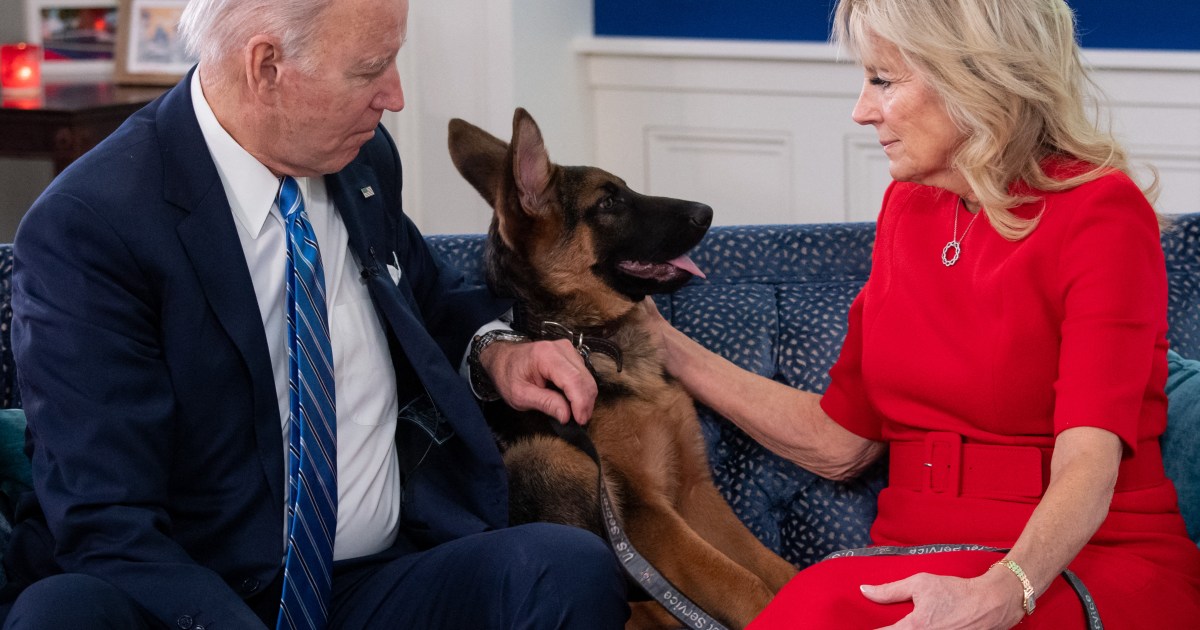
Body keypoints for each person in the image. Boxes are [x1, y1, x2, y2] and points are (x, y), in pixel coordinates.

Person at [0, 0, 630, 628]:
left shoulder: (360, 157)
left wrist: (498, 350)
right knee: (64, 615)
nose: (395, 95)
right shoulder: (91, 226)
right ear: (266, 65)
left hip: (369, 582)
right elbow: (107, 523)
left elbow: (426, 295)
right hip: (184, 597)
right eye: (369, 69)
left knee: (563, 567)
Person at [637, 0, 1200, 628]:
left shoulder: (1101, 213)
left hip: (1076, 566)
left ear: (973, 77)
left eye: (883, 79)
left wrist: (1004, 591)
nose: (861, 110)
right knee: (818, 607)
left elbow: (1088, 460)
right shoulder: (909, 206)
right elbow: (840, 441)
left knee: (819, 607)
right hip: (917, 562)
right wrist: (661, 346)